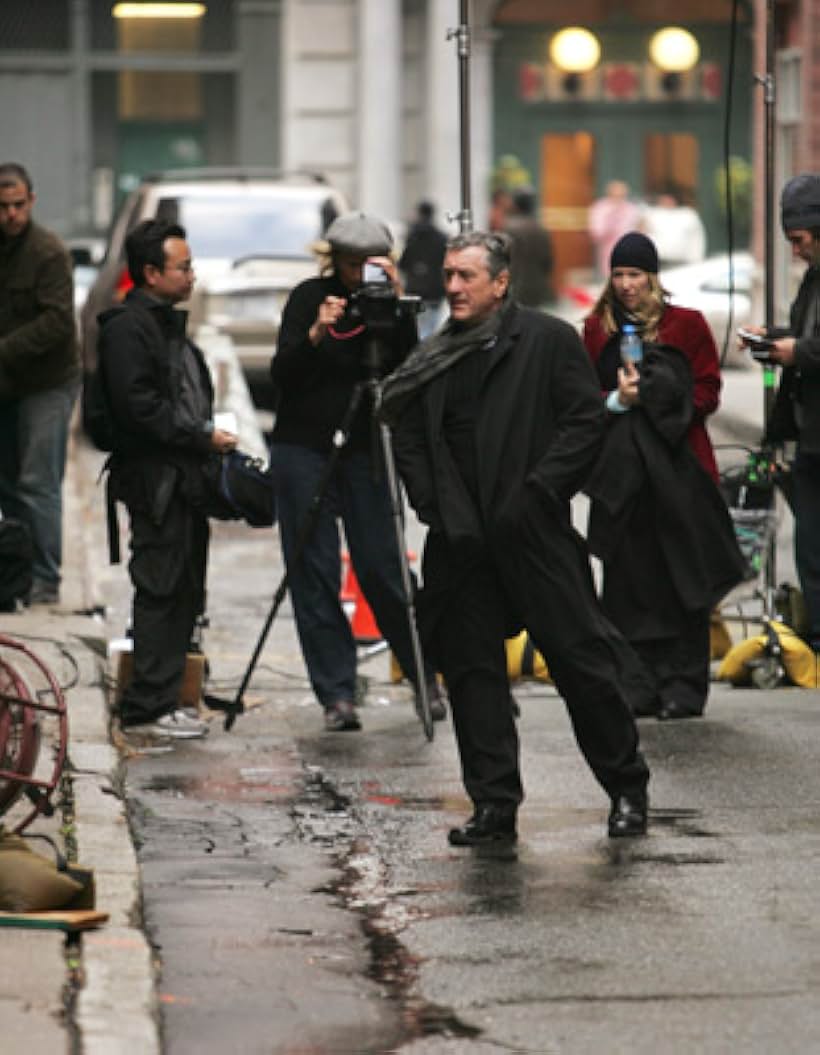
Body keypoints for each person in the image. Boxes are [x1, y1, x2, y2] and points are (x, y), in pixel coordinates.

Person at [380, 230, 650, 846]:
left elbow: (585, 422)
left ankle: (627, 788)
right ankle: (495, 806)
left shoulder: (548, 342)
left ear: (500, 283)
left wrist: (539, 491)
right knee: (474, 677)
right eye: (448, 275)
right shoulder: (433, 354)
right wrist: (433, 506)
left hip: (534, 536)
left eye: (464, 277)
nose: (451, 287)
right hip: (462, 543)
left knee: (582, 667)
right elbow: (412, 439)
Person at [269, 211, 445, 733]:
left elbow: (411, 374)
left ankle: (424, 674)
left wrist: (396, 308)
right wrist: (317, 332)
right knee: (314, 571)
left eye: (367, 266)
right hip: (304, 446)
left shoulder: (391, 304)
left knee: (383, 568)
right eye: (348, 265)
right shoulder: (308, 297)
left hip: (368, 447)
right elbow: (283, 375)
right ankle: (337, 694)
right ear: (334, 260)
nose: (356, 276)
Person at [582, 232, 745, 721]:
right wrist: (618, 401)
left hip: (679, 470)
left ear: (653, 277)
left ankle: (682, 686)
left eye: (636, 274)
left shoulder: (687, 325)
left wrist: (661, 401)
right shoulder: (595, 330)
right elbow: (583, 398)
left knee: (682, 578)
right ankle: (636, 683)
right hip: (622, 475)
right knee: (628, 581)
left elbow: (708, 391)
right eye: (619, 274)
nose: (627, 285)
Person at [97, 218, 237, 739]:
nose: (192, 276)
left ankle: (166, 696)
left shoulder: (160, 323)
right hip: (155, 481)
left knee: (182, 587)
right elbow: (141, 411)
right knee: (159, 587)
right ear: (151, 273)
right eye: (184, 267)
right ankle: (147, 708)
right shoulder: (129, 330)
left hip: (180, 481)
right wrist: (201, 436)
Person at [0, 162, 78, 606]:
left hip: (47, 382)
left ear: (31, 202)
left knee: (37, 479)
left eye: (18, 205)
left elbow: (57, 322)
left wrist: (5, 348)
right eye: (3, 207)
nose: (11, 215)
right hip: (7, 383)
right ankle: (17, 574)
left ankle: (46, 577)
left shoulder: (48, 252)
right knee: (8, 481)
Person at [753, 173, 820, 651]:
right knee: (810, 544)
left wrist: (796, 351)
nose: (795, 250)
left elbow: (811, 346)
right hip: (810, 433)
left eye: (799, 240)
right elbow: (805, 336)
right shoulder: (813, 280)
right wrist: (773, 338)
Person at [399, 200, 448, 339]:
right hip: (435, 291)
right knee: (432, 328)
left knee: (417, 329)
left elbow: (403, 263)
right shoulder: (442, 238)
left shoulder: (412, 236)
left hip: (415, 289)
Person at [504, 187, 555, 308]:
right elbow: (548, 262)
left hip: (514, 287)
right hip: (536, 287)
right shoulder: (540, 229)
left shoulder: (509, 228)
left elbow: (503, 259)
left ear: (515, 205)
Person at [587, 180, 642, 280]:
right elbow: (596, 232)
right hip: (609, 249)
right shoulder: (601, 207)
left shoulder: (631, 208)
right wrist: (612, 218)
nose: (619, 197)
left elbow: (638, 227)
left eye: (622, 194)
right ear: (610, 193)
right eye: (616, 194)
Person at [641, 190, 706, 269]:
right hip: (656, 260)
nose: (667, 201)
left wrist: (697, 259)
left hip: (682, 261)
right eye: (664, 199)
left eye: (669, 199)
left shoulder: (688, 214)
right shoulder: (651, 213)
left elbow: (697, 237)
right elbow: (641, 232)